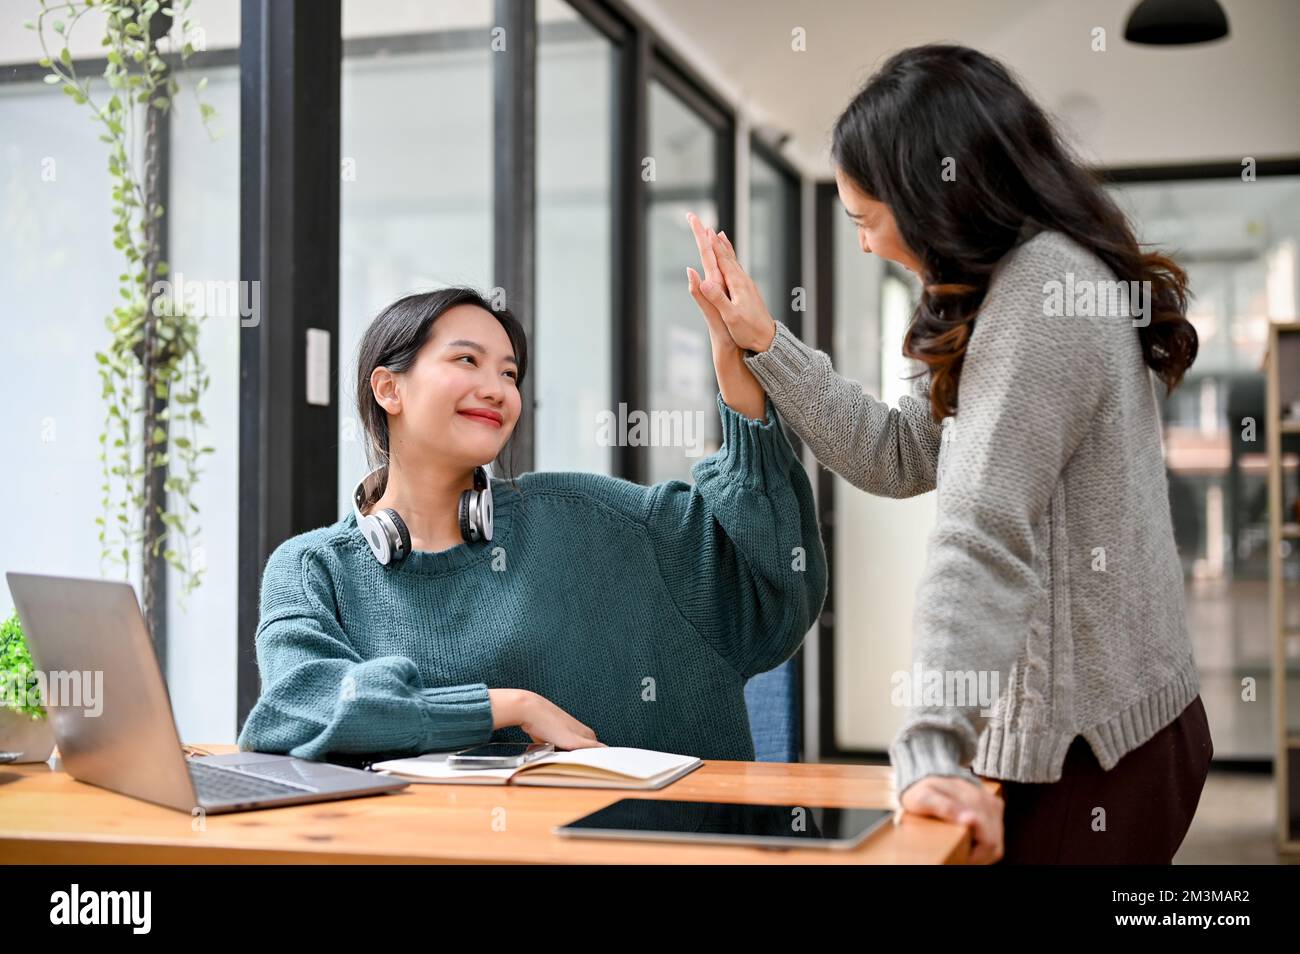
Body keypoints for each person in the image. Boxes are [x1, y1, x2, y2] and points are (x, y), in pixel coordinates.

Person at [685, 44, 1213, 863]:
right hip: (1110, 730)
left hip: (1094, 754)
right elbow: (900, 453)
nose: (862, 245)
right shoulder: (1013, 285)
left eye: (865, 220)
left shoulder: (1041, 297)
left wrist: (930, 743)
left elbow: (981, 534)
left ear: (931, 196)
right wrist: (764, 342)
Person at [237, 285, 826, 764]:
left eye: (510, 374)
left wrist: (741, 389)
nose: (496, 390)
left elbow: (768, 585)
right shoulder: (312, 567)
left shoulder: (589, 517)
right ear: (389, 388)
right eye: (467, 360)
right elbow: (296, 709)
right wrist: (502, 706)